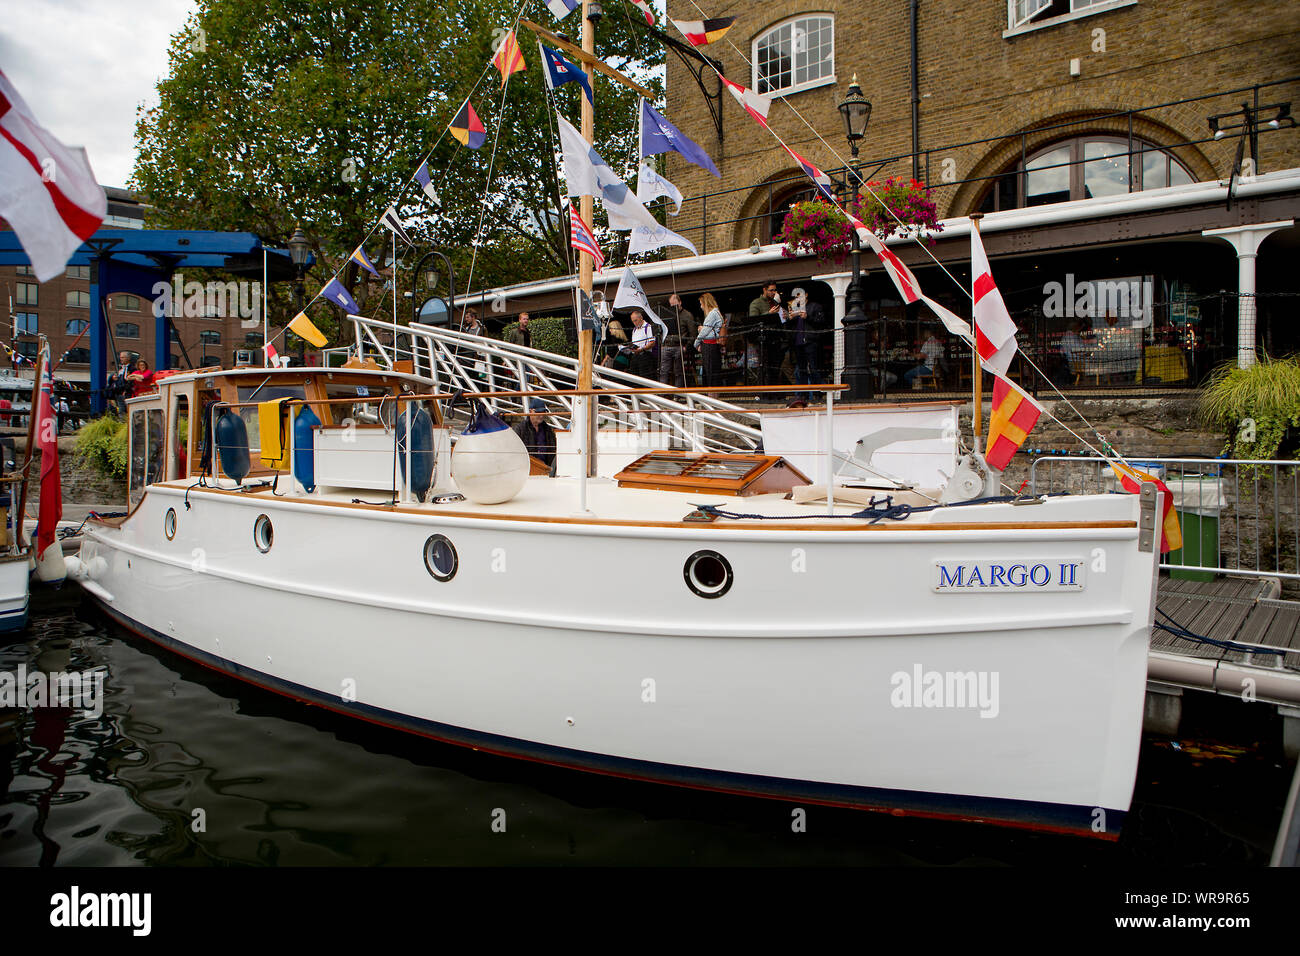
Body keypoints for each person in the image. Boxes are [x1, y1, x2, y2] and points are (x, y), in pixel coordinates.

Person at [788, 288, 825, 402]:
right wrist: (790, 318)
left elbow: (821, 321)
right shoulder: (795, 309)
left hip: (810, 341)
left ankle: (819, 393)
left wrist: (807, 317)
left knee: (813, 367)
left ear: (806, 295)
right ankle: (803, 394)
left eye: (799, 296)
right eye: (796, 297)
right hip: (798, 341)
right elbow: (790, 326)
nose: (797, 299)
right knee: (801, 369)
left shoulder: (815, 306)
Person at [748, 281, 787, 390]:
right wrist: (768, 314)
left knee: (776, 368)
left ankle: (775, 392)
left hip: (777, 339)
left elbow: (784, 319)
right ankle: (764, 392)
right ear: (764, 290)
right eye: (771, 290)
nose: (774, 292)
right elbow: (753, 321)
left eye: (775, 290)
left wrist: (785, 315)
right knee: (764, 367)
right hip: (763, 341)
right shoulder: (756, 303)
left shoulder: (776, 302)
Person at [661, 293, 697, 387]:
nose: (673, 307)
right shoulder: (668, 314)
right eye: (671, 305)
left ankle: (677, 395)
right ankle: (662, 394)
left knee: (678, 372)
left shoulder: (687, 315)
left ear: (680, 303)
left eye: (675, 305)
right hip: (667, 344)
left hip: (680, 345)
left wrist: (686, 347)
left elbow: (693, 333)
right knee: (664, 371)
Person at [514, 398, 556, 472]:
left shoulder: (548, 429)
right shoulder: (520, 429)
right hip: (527, 470)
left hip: (546, 469)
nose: (541, 415)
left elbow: (553, 449)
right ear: (530, 411)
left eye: (543, 412)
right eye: (538, 412)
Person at [694, 293, 724, 389]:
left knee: (710, 374)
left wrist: (696, 343)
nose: (701, 306)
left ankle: (712, 399)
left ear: (706, 303)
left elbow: (705, 332)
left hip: (709, 346)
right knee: (713, 373)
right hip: (713, 345)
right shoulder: (716, 313)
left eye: (701, 303)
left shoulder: (712, 314)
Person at [626, 310, 657, 380]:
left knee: (645, 377)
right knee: (634, 377)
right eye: (633, 321)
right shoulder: (634, 330)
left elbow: (652, 342)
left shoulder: (648, 327)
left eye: (636, 320)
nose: (634, 323)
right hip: (635, 355)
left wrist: (642, 349)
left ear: (641, 318)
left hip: (645, 355)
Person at [109, 350, 133, 415]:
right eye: (120, 357)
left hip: (126, 393)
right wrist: (113, 378)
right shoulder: (120, 368)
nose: (121, 359)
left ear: (128, 358)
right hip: (118, 393)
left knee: (128, 409)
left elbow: (131, 382)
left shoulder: (132, 369)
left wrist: (126, 390)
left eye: (123, 357)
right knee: (121, 411)